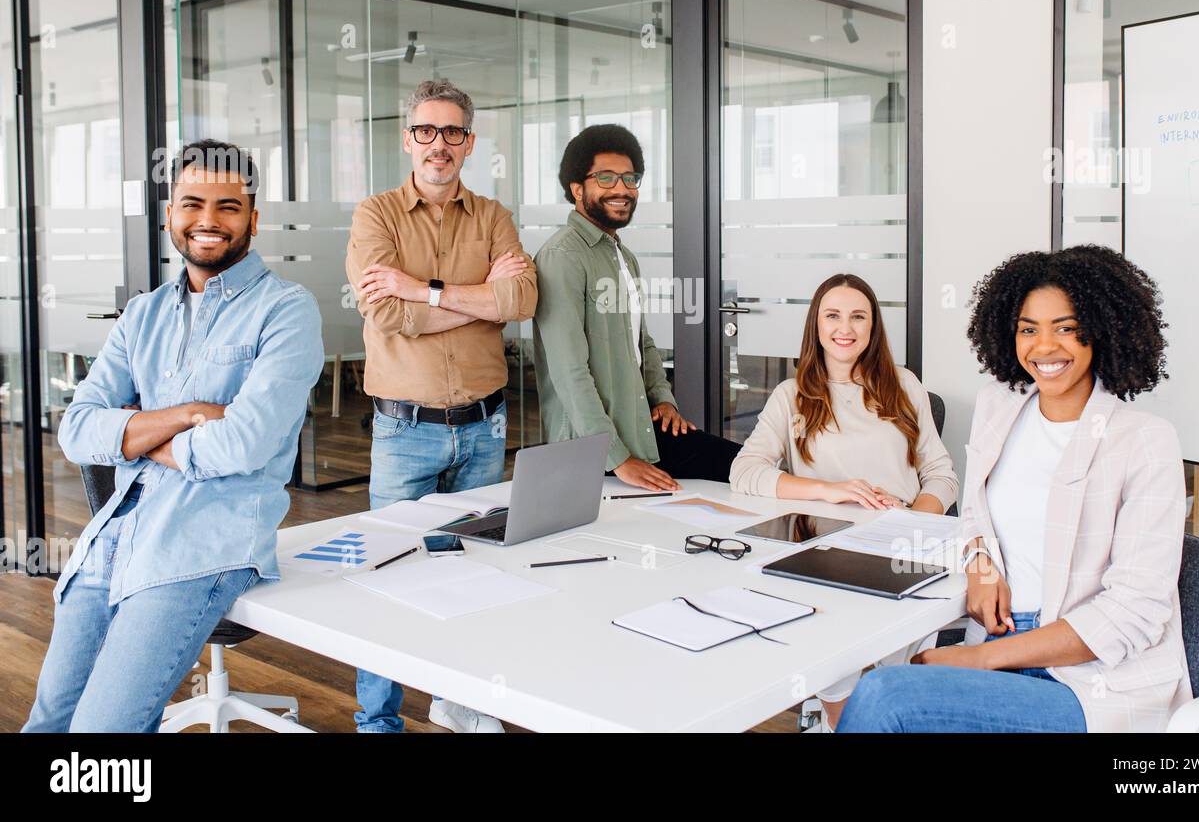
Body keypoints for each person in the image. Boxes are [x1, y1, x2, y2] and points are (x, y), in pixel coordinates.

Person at [24, 140, 324, 732]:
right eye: (191, 203)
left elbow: (241, 445)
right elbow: (77, 431)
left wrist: (135, 434)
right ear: (170, 215)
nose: (207, 220)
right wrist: (188, 414)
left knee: (99, 735)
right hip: (114, 535)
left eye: (227, 206)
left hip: (201, 544)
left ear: (253, 219)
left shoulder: (287, 310)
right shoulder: (143, 314)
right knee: (48, 722)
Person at [837, 244, 1193, 732]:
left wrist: (984, 661)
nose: (1044, 347)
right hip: (999, 637)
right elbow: (976, 515)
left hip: (1089, 678)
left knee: (887, 695)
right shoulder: (999, 407)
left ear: (1105, 331)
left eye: (1067, 328)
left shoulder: (1145, 441)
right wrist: (979, 563)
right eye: (1029, 329)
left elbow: (1134, 611)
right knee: (884, 680)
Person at [345, 78, 536, 733]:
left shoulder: (492, 216)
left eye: (452, 132)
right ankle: (377, 720)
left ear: (469, 143)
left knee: (473, 574)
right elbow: (383, 310)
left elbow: (521, 303)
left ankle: (460, 699)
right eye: (426, 131)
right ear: (408, 139)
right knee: (390, 574)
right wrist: (475, 298)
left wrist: (423, 290)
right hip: (406, 429)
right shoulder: (376, 215)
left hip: (484, 426)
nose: (439, 144)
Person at [730, 273, 957, 729]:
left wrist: (911, 523)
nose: (845, 328)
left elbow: (942, 476)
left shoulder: (904, 386)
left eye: (858, 316)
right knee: (833, 654)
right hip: (826, 551)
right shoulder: (791, 396)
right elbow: (744, 473)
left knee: (899, 670)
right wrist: (832, 489)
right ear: (816, 324)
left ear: (873, 327)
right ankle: (833, 716)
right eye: (832, 316)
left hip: (903, 545)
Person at [533, 124, 740, 490]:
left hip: (640, 430)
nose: (622, 189)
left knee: (743, 467)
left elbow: (641, 343)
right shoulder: (561, 257)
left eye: (630, 178)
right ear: (576, 188)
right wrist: (617, 458)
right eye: (607, 178)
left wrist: (664, 400)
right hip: (590, 450)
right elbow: (568, 372)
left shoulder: (623, 257)